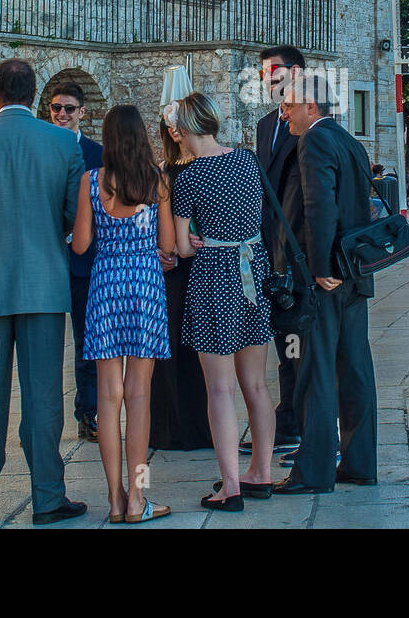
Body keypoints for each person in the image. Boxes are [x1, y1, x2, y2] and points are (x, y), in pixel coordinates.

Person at [0, 59, 88, 526]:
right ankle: (48, 496)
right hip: (44, 289)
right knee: (43, 397)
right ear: (34, 94)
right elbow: (74, 217)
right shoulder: (61, 143)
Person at [170, 92, 276, 512]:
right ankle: (262, 473)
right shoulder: (247, 160)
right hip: (253, 271)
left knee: (220, 388)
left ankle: (230, 486)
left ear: (184, 129)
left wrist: (196, 238)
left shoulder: (189, 178)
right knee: (256, 385)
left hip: (214, 277)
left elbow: (181, 248)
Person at [273, 80, 377, 495]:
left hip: (326, 275)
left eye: (288, 106)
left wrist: (317, 267)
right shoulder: (350, 142)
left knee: (315, 371)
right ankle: (359, 463)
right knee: (354, 369)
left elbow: (320, 205)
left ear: (311, 106)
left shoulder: (314, 143)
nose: (284, 114)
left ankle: (313, 472)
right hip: (355, 272)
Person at [72, 105, 174, 524]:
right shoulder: (157, 182)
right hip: (146, 287)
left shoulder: (92, 182)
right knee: (140, 397)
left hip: (106, 287)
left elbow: (79, 245)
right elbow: (168, 244)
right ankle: (138, 497)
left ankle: (114, 500)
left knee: (108, 398)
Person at [149, 68, 212, 451]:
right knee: (170, 345)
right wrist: (164, 247)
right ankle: (171, 428)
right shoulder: (164, 170)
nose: (173, 131)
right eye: (168, 125)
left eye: (178, 125)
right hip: (173, 268)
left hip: (201, 264)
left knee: (199, 348)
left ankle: (200, 426)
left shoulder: (205, 166)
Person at [254, 45, 306, 456]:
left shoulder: (312, 122)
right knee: (282, 338)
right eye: (263, 74)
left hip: (300, 250)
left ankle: (303, 418)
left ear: (297, 73)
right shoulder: (265, 124)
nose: (265, 80)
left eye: (273, 73)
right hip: (270, 247)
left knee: (301, 341)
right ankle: (287, 417)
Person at [49, 81, 103, 442]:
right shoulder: (41, 147)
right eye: (56, 108)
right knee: (45, 344)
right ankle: (44, 419)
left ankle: (88, 413)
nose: (62, 114)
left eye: (69, 108)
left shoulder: (97, 154)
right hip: (49, 259)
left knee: (88, 342)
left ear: (82, 112)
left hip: (86, 261)